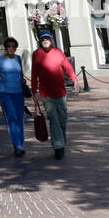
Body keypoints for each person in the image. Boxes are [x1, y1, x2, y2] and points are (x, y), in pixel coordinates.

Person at [31, 28, 77, 159]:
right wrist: (34, 91)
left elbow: (67, 67)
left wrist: (74, 79)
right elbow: (34, 74)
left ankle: (61, 142)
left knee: (62, 120)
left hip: (61, 93)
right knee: (54, 119)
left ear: (51, 39)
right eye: (43, 39)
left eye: (47, 38)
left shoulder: (58, 52)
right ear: (40, 41)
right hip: (46, 95)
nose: (45, 40)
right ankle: (58, 147)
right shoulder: (36, 54)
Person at [0, 37, 27, 156]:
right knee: (11, 118)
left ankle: (20, 143)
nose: (11, 48)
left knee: (20, 118)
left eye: (13, 46)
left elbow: (21, 74)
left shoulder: (18, 58)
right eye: (9, 46)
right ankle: (17, 145)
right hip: (5, 93)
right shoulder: (0, 60)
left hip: (18, 93)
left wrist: (23, 82)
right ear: (5, 47)